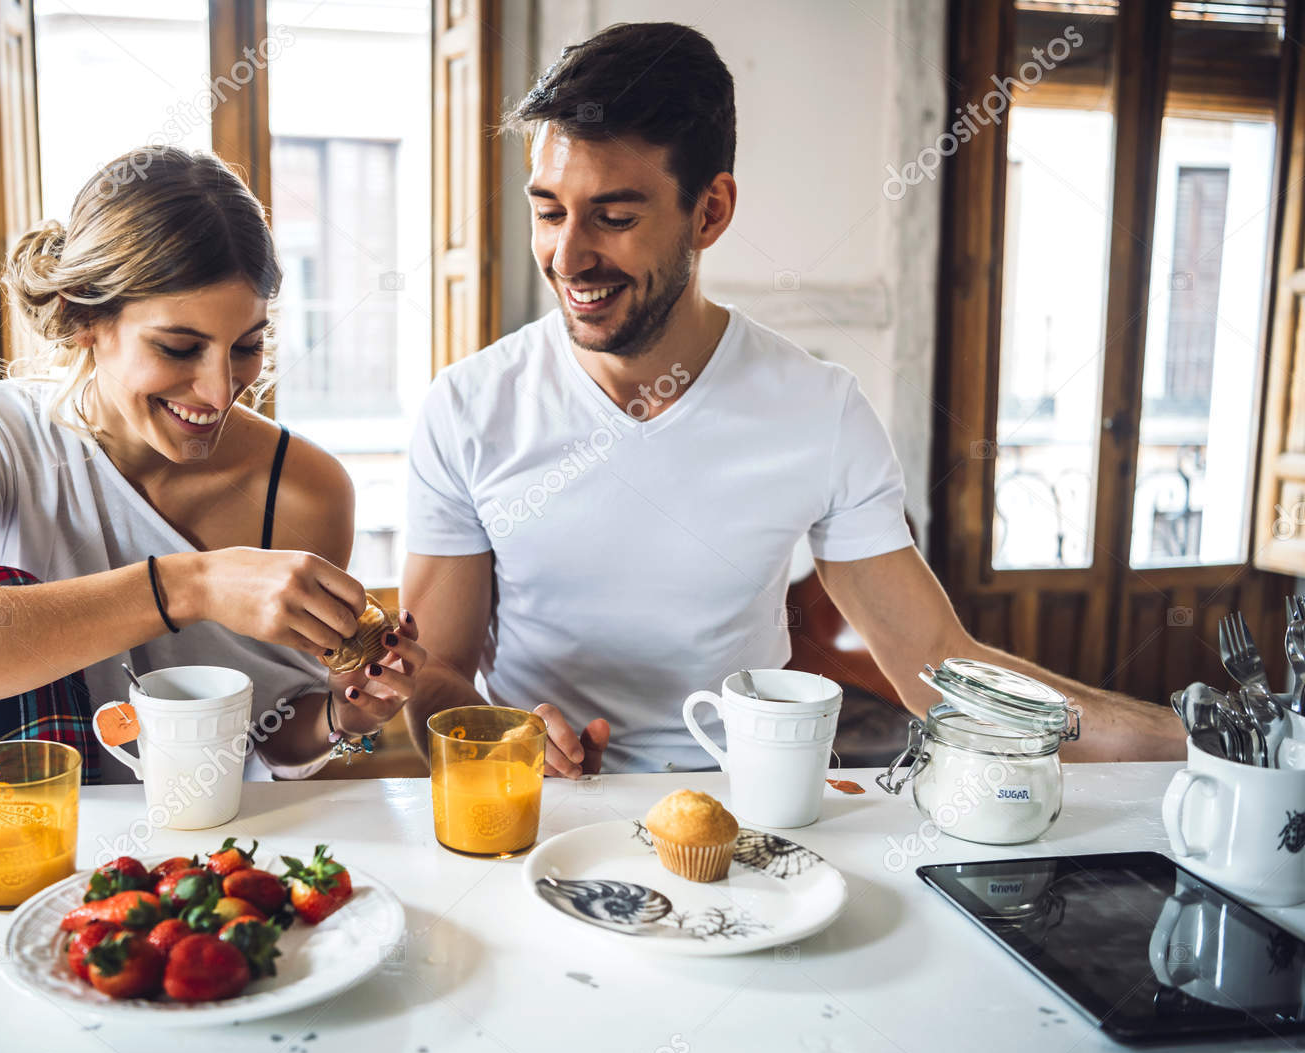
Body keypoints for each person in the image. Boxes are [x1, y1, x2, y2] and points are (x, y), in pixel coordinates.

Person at [401, 22, 1182, 777]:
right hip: (535, 815)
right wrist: (503, 740)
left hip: (753, 820)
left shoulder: (820, 409)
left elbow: (939, 671)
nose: (567, 256)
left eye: (615, 217)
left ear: (710, 211)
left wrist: (1186, 744)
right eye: (548, 212)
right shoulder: (468, 409)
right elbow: (435, 673)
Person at [0, 147, 425, 785]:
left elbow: (271, 740)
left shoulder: (306, 492)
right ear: (82, 318)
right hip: (23, 852)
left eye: (247, 346)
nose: (218, 391)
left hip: (208, 859)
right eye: (178, 347)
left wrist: (340, 719)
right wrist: (192, 586)